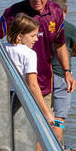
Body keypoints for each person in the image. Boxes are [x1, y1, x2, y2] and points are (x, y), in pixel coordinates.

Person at [0, 0, 75, 111]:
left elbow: (60, 45)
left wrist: (67, 72)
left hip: (44, 86)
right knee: (17, 129)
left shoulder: (56, 12)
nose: (36, 0)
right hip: (16, 89)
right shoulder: (14, 12)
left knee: (44, 125)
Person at [5, 13, 62, 143]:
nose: (36, 39)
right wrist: (46, 113)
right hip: (20, 99)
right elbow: (33, 85)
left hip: (3, 97)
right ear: (19, 35)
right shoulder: (29, 54)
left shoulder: (2, 48)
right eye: (32, 35)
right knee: (23, 137)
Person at [48, 0, 76, 140]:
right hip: (62, 75)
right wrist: (68, 54)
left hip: (42, 75)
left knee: (43, 115)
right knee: (59, 119)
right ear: (66, 10)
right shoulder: (69, 28)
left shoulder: (43, 24)